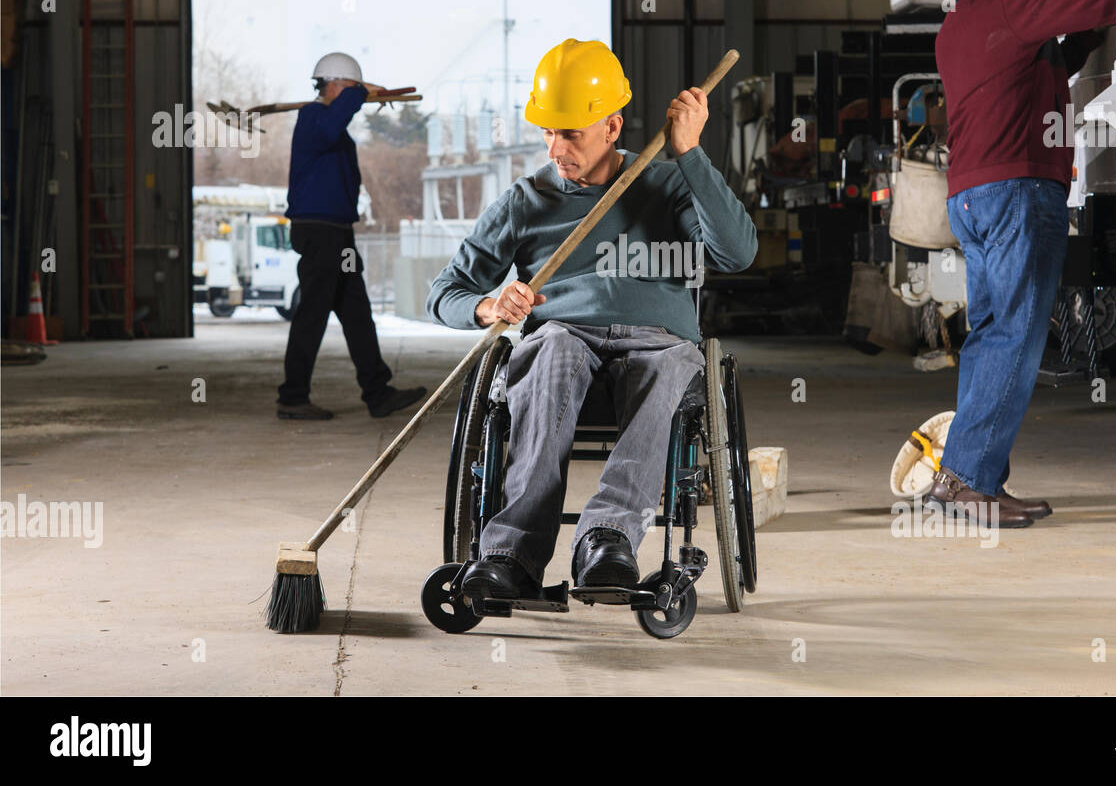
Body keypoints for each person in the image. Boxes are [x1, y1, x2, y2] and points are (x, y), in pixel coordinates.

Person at [426, 38, 757, 598]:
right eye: (548, 132)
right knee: (549, 347)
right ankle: (509, 553)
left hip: (658, 342)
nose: (556, 149)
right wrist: (489, 305)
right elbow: (446, 292)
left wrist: (690, 154)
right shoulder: (525, 201)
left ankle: (607, 537)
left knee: (669, 363)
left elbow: (736, 254)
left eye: (570, 134)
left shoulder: (671, 182)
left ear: (612, 127)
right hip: (564, 337)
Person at [928, 0, 1116, 527]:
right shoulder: (1013, 3)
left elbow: (1053, 59)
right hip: (1018, 192)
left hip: (973, 197)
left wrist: (1089, 33)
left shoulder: (959, 27)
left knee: (990, 332)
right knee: (1017, 336)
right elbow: (1102, 1)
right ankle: (970, 481)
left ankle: (962, 477)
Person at [276, 52, 426, 420]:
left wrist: (354, 93)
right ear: (334, 84)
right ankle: (293, 397)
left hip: (339, 233)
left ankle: (377, 392)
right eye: (349, 87)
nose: (354, 95)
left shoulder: (332, 125)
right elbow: (332, 123)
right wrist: (358, 94)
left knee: (357, 314)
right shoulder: (313, 117)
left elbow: (338, 129)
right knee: (312, 313)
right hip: (319, 232)